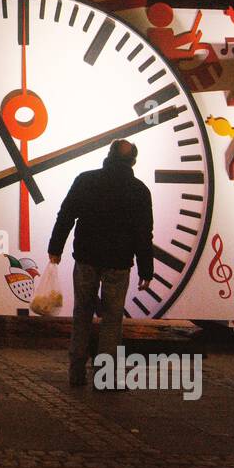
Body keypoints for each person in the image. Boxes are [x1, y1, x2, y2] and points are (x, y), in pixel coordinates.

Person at [47, 139, 154, 388]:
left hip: (86, 257)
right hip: (118, 262)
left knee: (82, 312)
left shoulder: (86, 180)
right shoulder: (139, 190)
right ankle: (105, 376)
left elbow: (66, 215)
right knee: (112, 318)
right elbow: (143, 233)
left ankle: (76, 371)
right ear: (133, 161)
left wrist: (55, 248)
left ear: (109, 155)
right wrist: (146, 268)